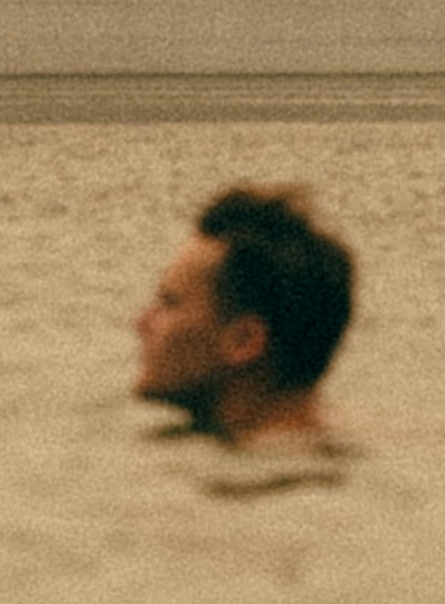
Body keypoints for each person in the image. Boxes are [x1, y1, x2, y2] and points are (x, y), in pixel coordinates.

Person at [132, 183, 356, 477]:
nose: (140, 323)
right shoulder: (348, 437)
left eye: (170, 303)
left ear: (243, 341)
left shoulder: (242, 479)